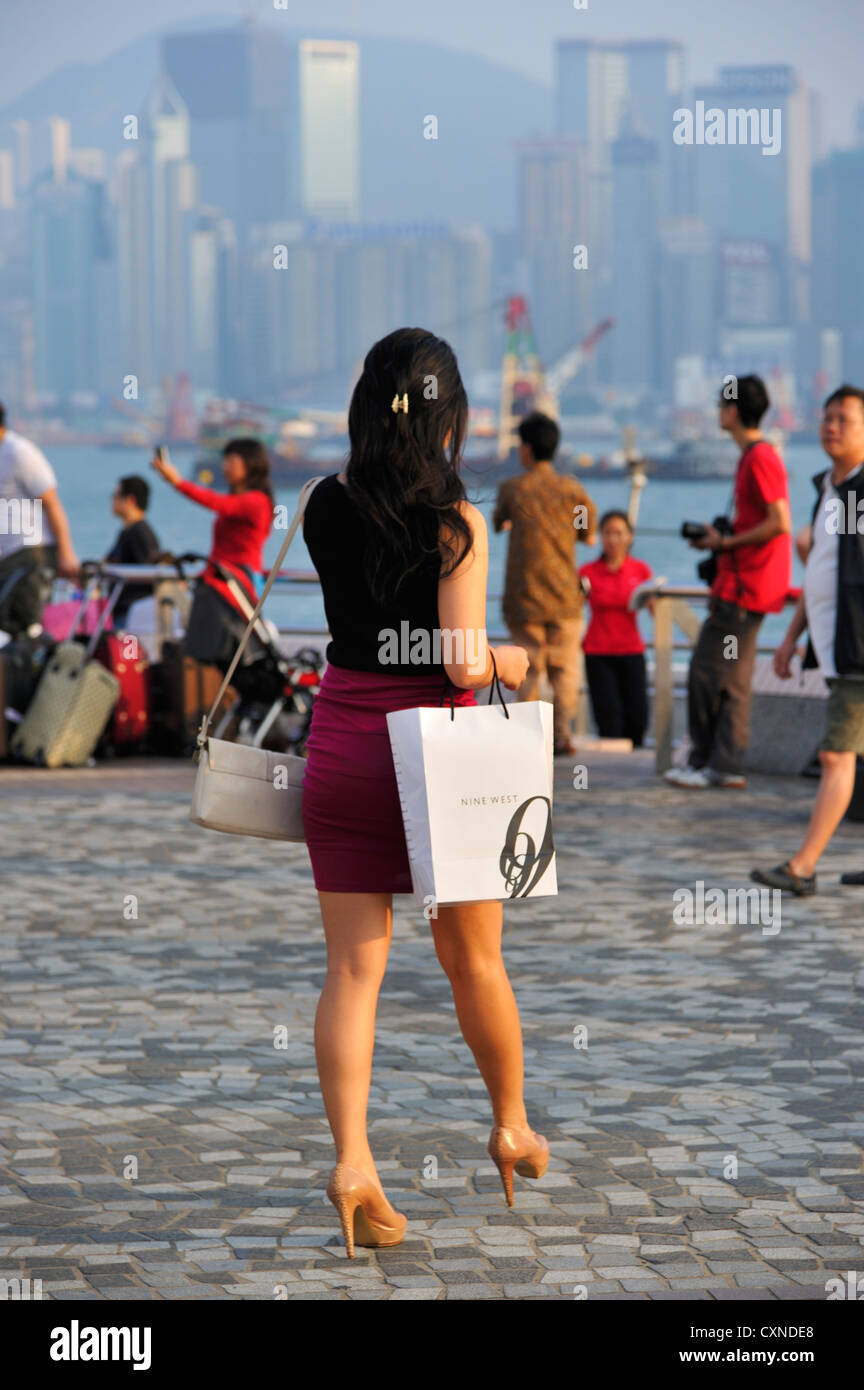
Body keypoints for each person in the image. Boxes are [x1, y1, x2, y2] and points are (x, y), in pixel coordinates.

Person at [300, 327, 547, 1257]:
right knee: (473, 962)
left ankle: (353, 1165)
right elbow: (458, 664)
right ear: (449, 415)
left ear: (367, 403)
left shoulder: (320, 501)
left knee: (352, 971)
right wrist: (514, 659)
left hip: (344, 748)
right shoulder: (455, 520)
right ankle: (511, 1125)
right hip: (442, 759)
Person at [752, 385, 864, 895]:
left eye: (844, 419)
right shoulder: (830, 490)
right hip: (836, 646)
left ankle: (803, 868)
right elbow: (822, 570)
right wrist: (789, 639)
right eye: (827, 417)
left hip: (857, 652)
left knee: (836, 756)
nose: (831, 426)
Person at [664, 375, 792, 789]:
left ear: (733, 411)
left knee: (708, 674)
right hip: (748, 588)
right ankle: (721, 765)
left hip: (743, 590)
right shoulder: (756, 456)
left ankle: (713, 763)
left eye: (721, 405)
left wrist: (725, 542)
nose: (718, 412)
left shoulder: (759, 458)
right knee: (729, 679)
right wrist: (723, 536)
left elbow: (779, 522)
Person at [492, 410, 597, 756]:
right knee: (564, 670)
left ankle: (528, 737)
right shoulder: (573, 490)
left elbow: (499, 522)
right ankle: (562, 735)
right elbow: (588, 534)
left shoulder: (512, 489)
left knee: (527, 669)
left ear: (525, 449)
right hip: (565, 595)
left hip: (524, 598)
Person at [152, 439, 272, 672]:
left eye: (231, 461)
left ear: (250, 464)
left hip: (238, 583)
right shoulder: (244, 500)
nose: (225, 467)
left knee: (236, 650)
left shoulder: (256, 501)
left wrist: (178, 482)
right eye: (225, 461)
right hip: (222, 582)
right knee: (223, 651)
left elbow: (216, 502)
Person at [0, 403, 78, 636]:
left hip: (30, 552)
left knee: (25, 620)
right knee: (8, 622)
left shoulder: (19, 452)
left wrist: (66, 553)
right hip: (8, 555)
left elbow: (51, 502)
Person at [580, 511, 653, 746]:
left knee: (638, 719)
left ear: (630, 537)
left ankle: (635, 768)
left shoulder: (640, 570)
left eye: (619, 533)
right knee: (609, 721)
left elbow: (656, 610)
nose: (613, 539)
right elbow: (572, 609)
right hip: (598, 653)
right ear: (601, 536)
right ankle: (611, 769)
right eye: (608, 533)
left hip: (631, 651)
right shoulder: (587, 572)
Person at [104, 475, 161, 627]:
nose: (112, 500)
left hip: (133, 616)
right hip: (123, 613)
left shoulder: (140, 532)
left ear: (130, 500)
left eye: (116, 495)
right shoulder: (127, 532)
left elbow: (152, 570)